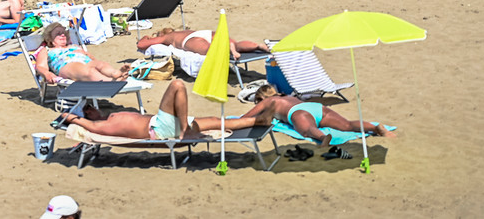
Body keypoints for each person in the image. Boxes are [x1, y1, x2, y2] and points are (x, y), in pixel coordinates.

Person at [58, 78, 268, 142]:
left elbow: (89, 118)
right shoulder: (103, 127)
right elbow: (84, 123)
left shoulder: (108, 118)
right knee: (177, 85)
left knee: (216, 121)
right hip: (160, 128)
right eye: (88, 109)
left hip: (165, 124)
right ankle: (185, 130)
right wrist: (72, 118)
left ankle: (259, 121)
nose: (92, 109)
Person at [238, 85, 391, 149]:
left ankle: (323, 138)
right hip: (315, 107)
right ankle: (375, 128)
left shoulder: (268, 101)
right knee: (347, 125)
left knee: (308, 129)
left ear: (262, 98)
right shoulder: (286, 95)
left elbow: (246, 117)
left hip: (298, 112)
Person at [33, 23, 128, 83]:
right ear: (49, 38)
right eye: (58, 33)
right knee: (88, 72)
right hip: (67, 65)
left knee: (101, 64)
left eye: (64, 33)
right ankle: (111, 82)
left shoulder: (74, 46)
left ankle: (115, 73)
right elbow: (40, 66)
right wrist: (47, 74)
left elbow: (93, 59)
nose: (62, 35)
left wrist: (85, 54)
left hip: (86, 62)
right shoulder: (46, 50)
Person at [137, 27, 270, 60]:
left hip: (191, 40)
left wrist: (146, 38)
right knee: (237, 44)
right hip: (206, 32)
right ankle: (258, 46)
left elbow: (141, 45)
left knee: (211, 50)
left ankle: (229, 49)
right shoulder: (183, 31)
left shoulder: (167, 37)